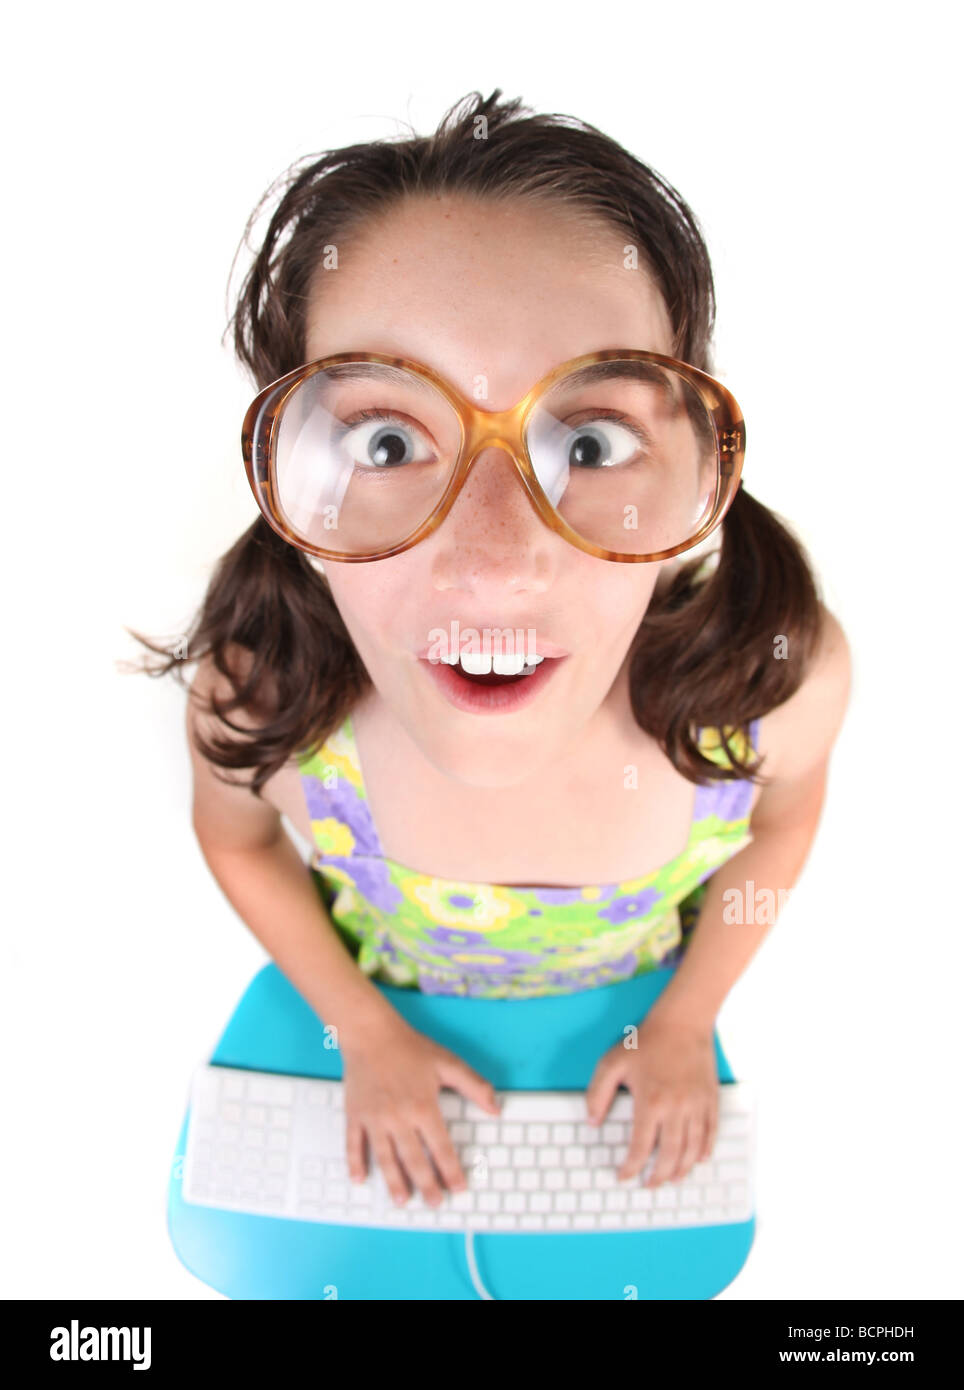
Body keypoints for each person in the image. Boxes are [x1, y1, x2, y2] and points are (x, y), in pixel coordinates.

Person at [128, 88, 851, 1215]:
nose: (492, 565)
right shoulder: (261, 690)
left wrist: (682, 1021)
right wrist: (361, 1030)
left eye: (594, 439)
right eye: (385, 439)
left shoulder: (768, 686)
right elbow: (238, 845)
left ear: (702, 476)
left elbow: (786, 825)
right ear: (286, 483)